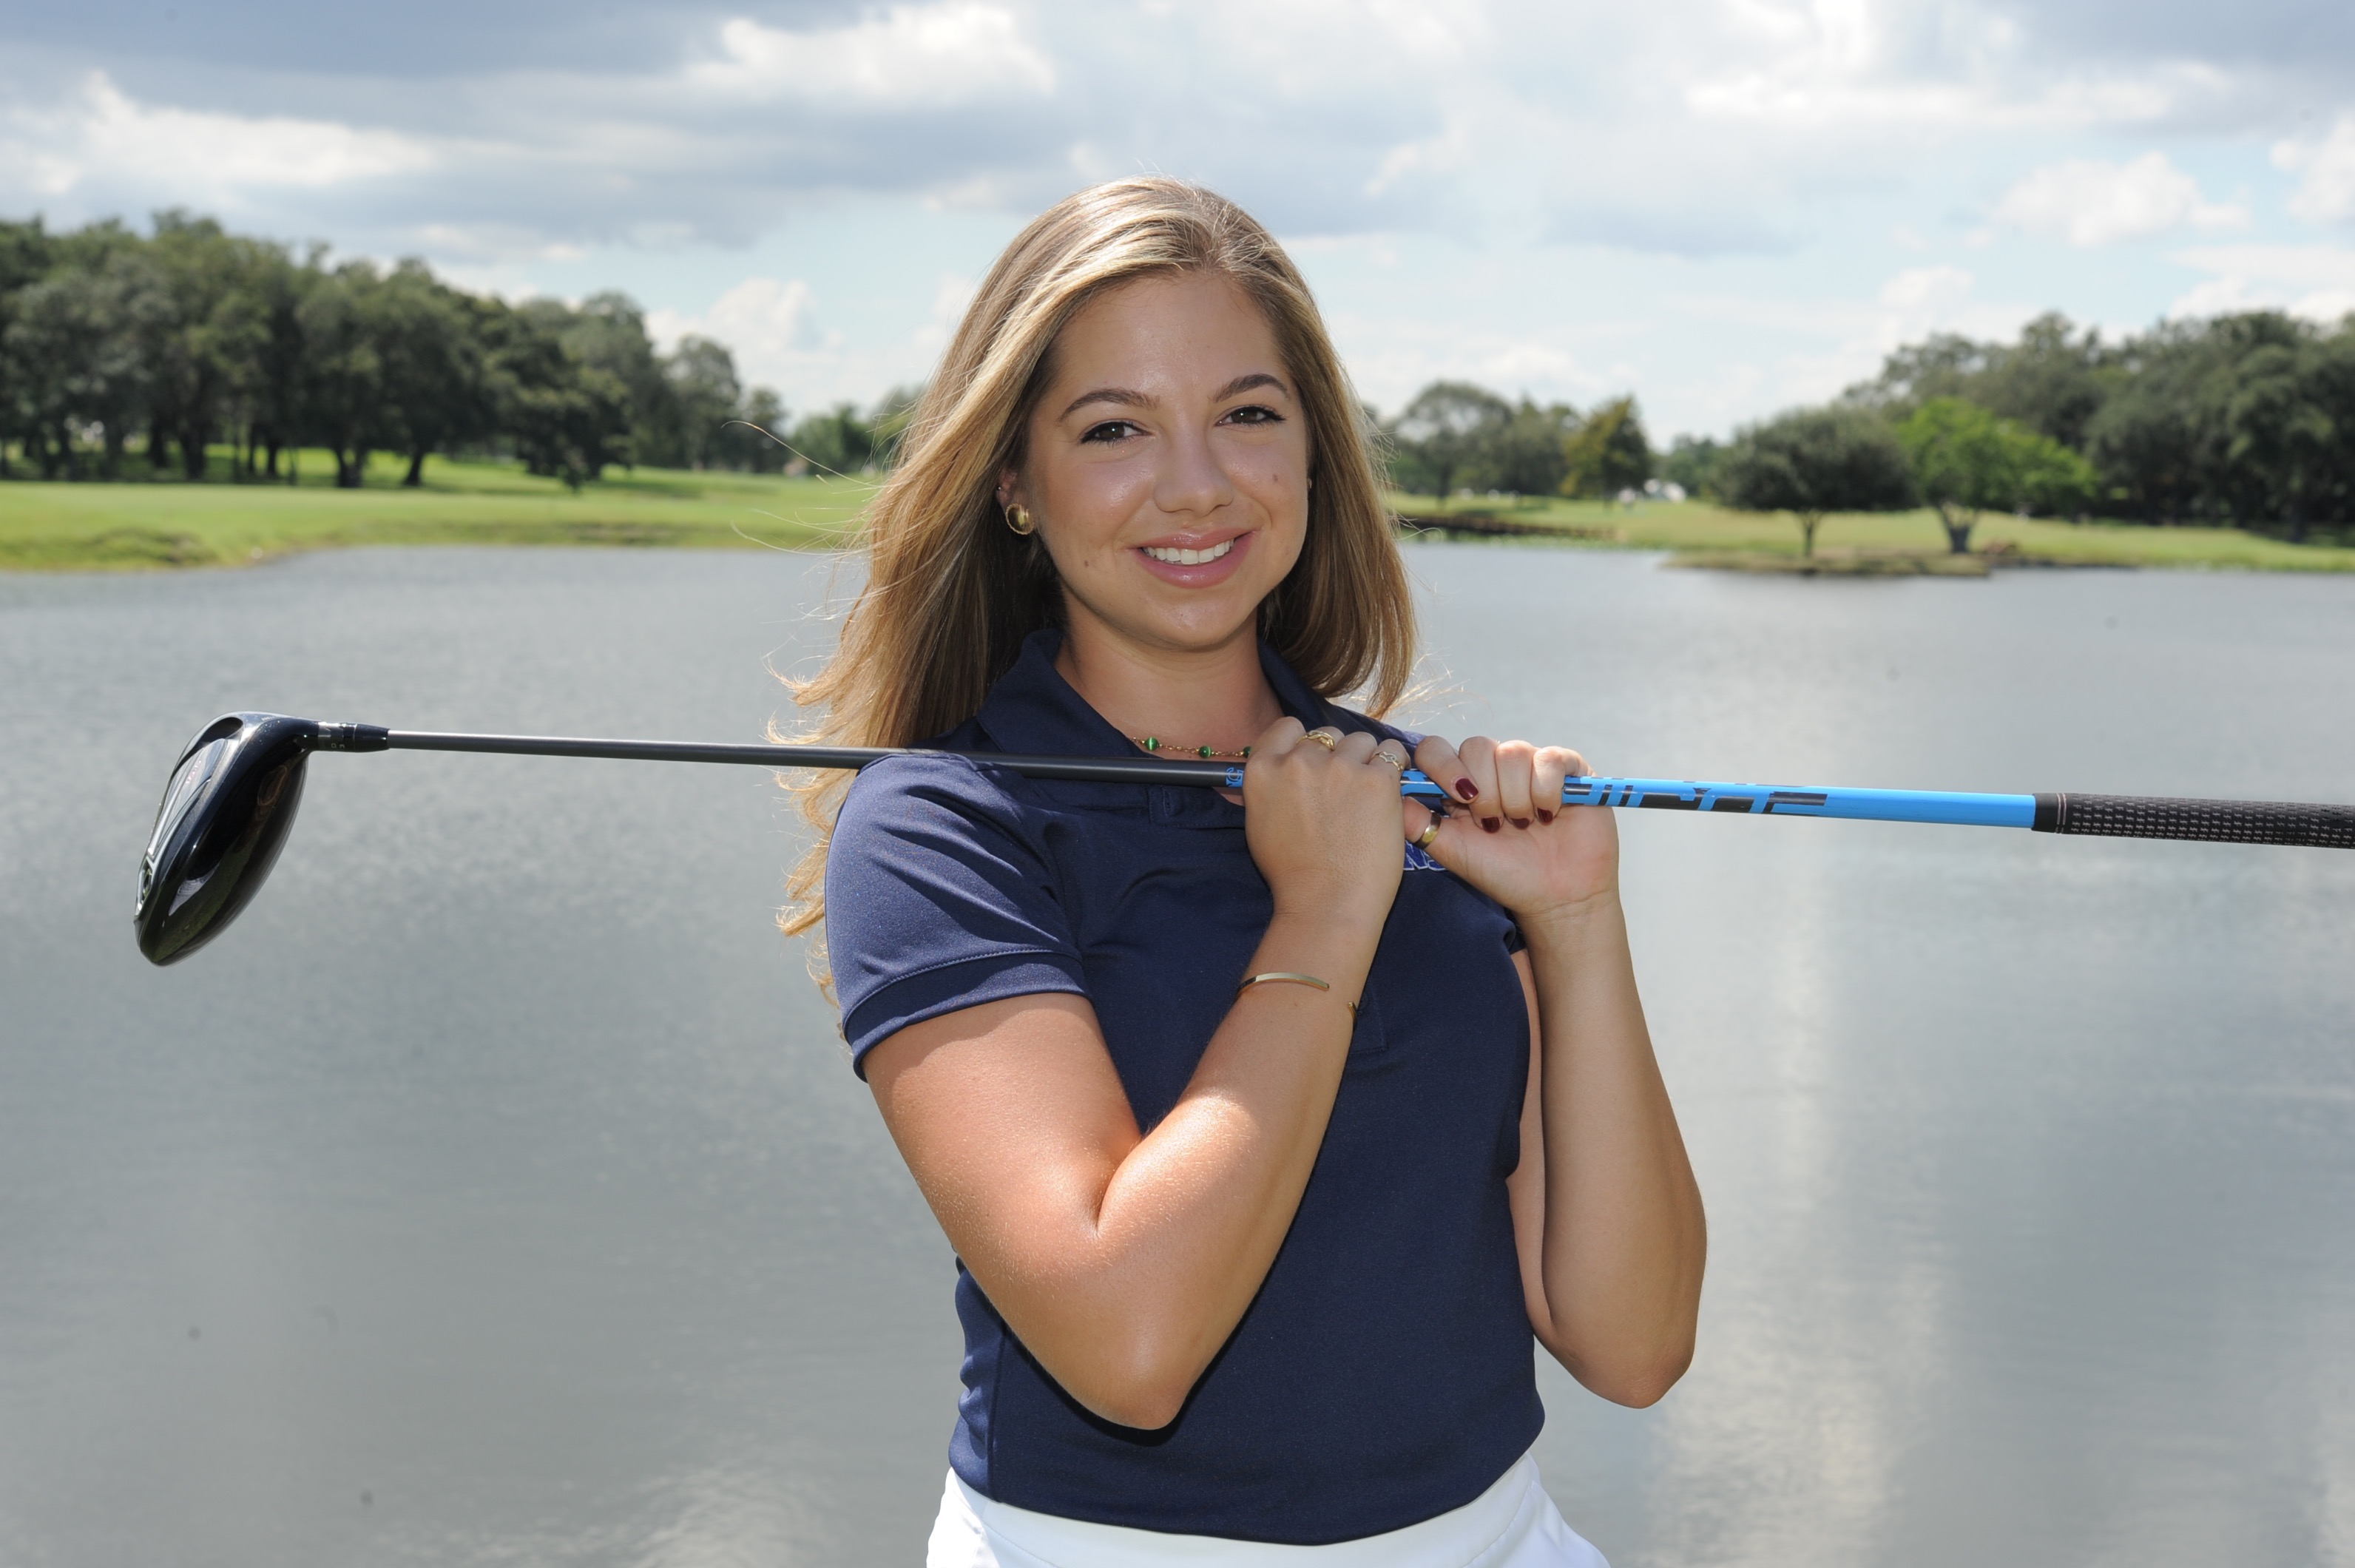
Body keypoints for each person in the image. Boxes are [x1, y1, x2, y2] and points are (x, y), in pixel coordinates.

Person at [782, 178, 1706, 1566]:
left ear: (1314, 451)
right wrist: (1324, 917)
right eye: (1114, 428)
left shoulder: (1410, 804)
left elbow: (1634, 1347)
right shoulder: (940, 827)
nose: (1199, 483)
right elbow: (1128, 1342)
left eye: (1249, 414)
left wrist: (1576, 922)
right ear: (1013, 482)